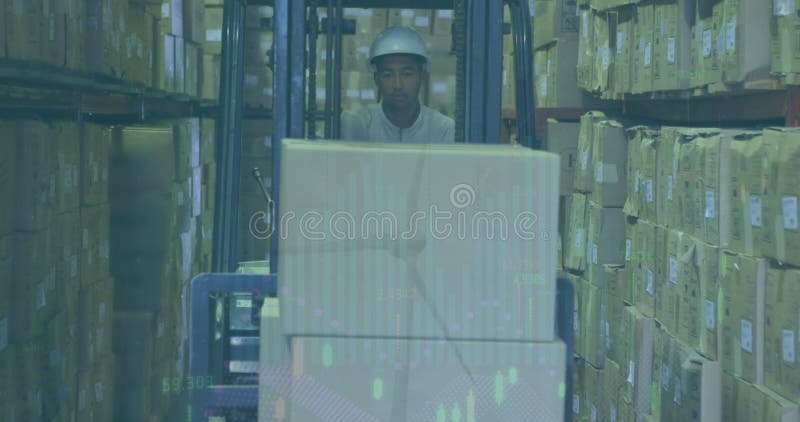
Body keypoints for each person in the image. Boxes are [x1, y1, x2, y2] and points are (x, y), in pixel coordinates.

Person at [341, 26, 455, 144]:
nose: (397, 85)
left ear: (422, 77)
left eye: (407, 74)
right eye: (388, 75)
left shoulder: (443, 130)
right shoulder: (360, 124)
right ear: (377, 79)